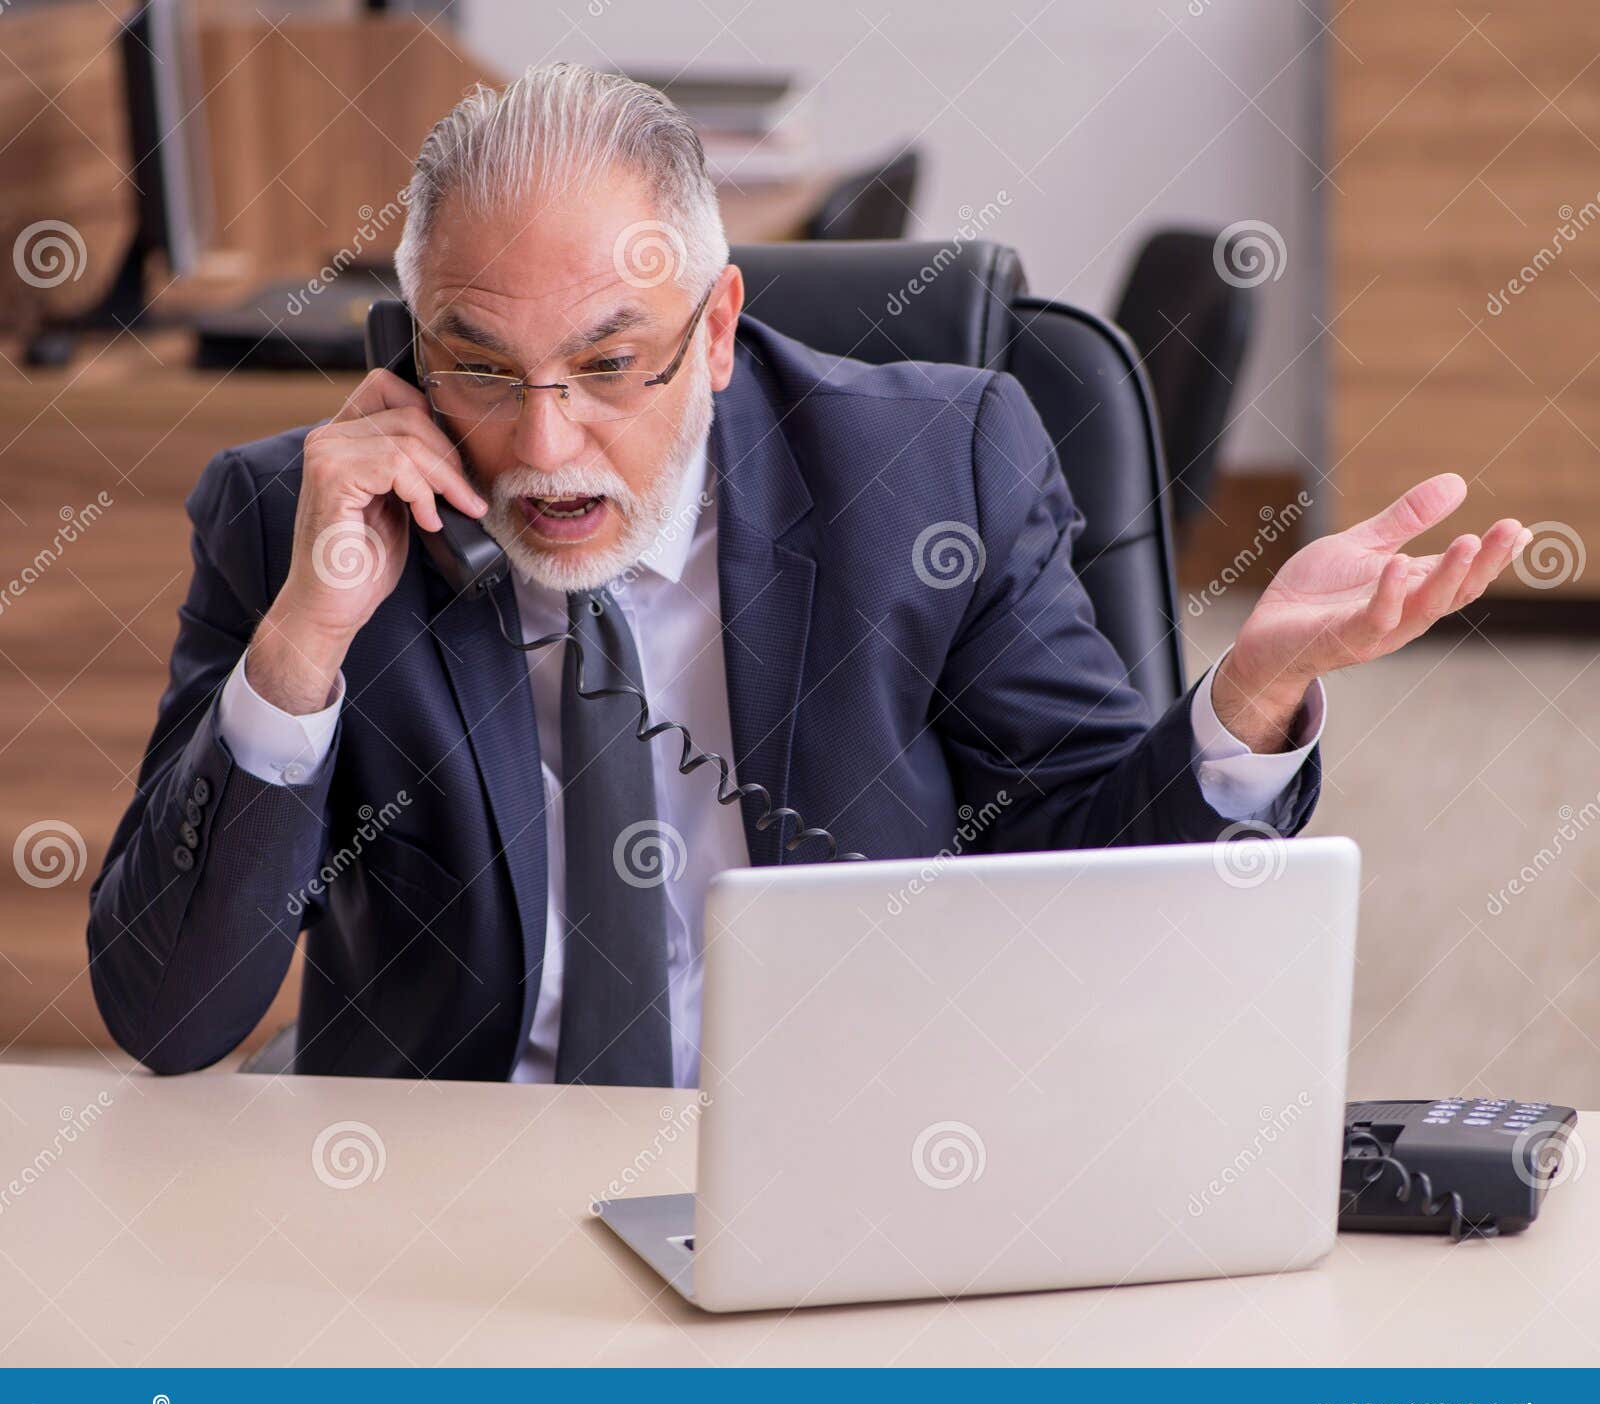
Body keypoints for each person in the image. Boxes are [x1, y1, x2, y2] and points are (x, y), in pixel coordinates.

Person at [88, 63, 1531, 1085]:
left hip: (848, 1161)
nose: (544, 441)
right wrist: (303, 646)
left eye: (608, 365)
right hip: (443, 1197)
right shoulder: (292, 519)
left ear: (717, 331)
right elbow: (170, 1013)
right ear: (402, 349)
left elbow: (1097, 868)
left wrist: (1252, 693)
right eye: (477, 366)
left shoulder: (927, 471)